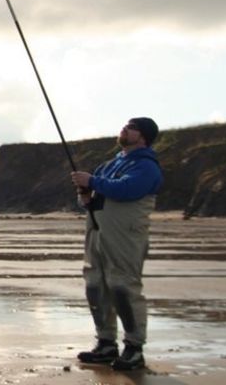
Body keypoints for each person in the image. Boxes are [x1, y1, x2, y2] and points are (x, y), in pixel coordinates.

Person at [70, 117, 163, 371]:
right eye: (126, 125)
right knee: (95, 285)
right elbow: (97, 192)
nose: (125, 128)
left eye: (132, 127)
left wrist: (92, 182)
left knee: (123, 286)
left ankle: (134, 347)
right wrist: (86, 195)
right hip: (98, 231)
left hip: (126, 235)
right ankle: (106, 342)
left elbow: (127, 189)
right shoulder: (111, 163)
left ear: (142, 137)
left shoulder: (146, 165)